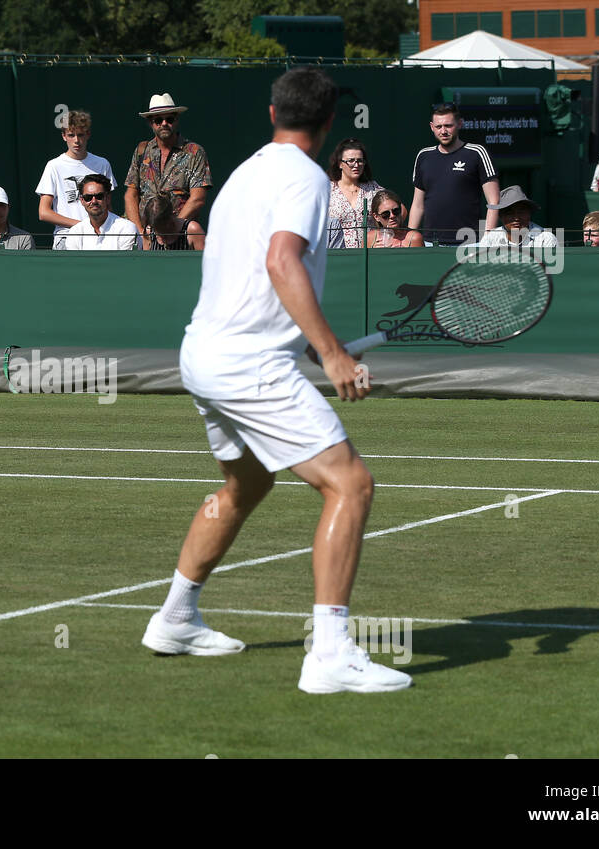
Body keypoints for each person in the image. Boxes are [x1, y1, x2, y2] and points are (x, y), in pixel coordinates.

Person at [148, 66, 409, 694]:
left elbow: (252, 273)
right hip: (247, 363)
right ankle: (330, 655)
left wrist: (320, 345)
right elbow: (280, 259)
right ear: (327, 125)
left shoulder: (244, 174)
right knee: (351, 484)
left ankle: (175, 617)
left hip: (204, 353)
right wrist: (330, 353)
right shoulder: (305, 178)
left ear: (272, 114)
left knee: (246, 483)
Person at [409, 103, 500, 245]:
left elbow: (494, 201)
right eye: (438, 127)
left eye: (448, 126)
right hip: (430, 243)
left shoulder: (477, 153)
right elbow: (417, 205)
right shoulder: (423, 156)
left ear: (459, 124)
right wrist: (410, 238)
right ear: (432, 127)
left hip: (470, 242)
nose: (443, 131)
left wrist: (487, 240)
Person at [124, 93, 212, 235]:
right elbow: (130, 195)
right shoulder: (142, 150)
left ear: (177, 120)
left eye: (169, 119)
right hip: (146, 236)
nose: (164, 123)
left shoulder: (194, 152)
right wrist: (139, 231)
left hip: (179, 234)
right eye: (158, 120)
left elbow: (198, 198)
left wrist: (172, 229)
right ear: (150, 123)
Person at [36, 110, 116, 249]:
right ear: (64, 136)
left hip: (100, 236)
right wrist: (81, 225)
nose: (76, 140)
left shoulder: (102, 164)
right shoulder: (54, 166)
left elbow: (108, 205)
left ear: (88, 135)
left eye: (80, 135)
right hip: (67, 236)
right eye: (71, 135)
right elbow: (43, 212)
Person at [326, 138, 383, 248]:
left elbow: (398, 209)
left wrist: (382, 235)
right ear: (340, 164)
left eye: (360, 161)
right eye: (351, 161)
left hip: (367, 256)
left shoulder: (372, 188)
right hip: (338, 256)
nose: (356, 165)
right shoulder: (328, 189)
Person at [59, 174, 140, 250]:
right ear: (82, 201)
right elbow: (74, 264)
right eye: (88, 197)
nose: (94, 201)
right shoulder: (75, 232)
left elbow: (126, 263)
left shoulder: (126, 228)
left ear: (108, 198)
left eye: (99, 196)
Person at [475, 186, 558, 249]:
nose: (516, 217)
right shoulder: (491, 239)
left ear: (529, 214)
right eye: (509, 213)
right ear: (501, 216)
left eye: (521, 212)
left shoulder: (546, 239)